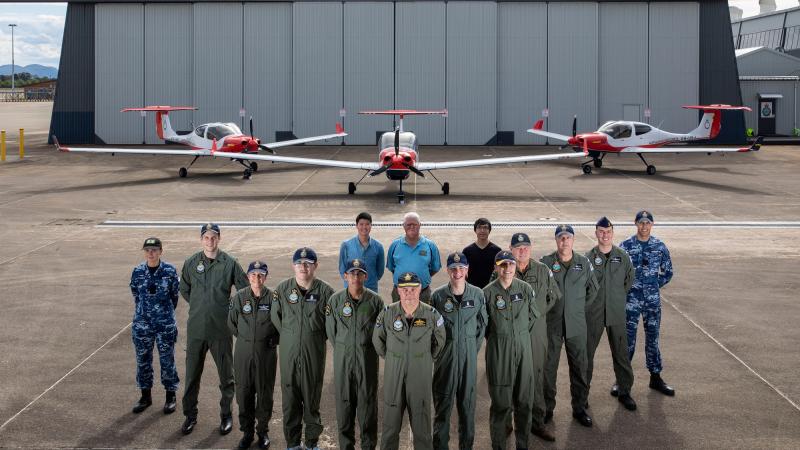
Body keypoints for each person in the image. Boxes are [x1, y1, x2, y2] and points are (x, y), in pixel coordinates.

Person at [180, 223, 248, 435]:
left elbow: (244, 289)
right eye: (206, 237)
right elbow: (184, 288)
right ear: (201, 239)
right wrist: (201, 306)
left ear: (219, 239)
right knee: (192, 375)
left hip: (221, 330)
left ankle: (226, 416)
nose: (210, 241)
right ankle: (190, 416)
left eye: (214, 237)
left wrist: (225, 309)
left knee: (226, 377)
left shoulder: (229, 263)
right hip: (197, 330)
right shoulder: (191, 263)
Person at [271, 247, 335, 450]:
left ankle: (310, 443)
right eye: (299, 263)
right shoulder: (282, 290)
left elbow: (330, 324)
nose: (303, 267)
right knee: (290, 400)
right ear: (293, 265)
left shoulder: (326, 292)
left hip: (313, 353)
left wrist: (312, 337)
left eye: (308, 263)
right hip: (289, 353)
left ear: (316, 265)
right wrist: (291, 336)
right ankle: (292, 443)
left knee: (312, 399)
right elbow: (276, 317)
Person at [373, 272, 445, 450]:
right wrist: (393, 357)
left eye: (413, 289)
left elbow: (440, 341)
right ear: (398, 290)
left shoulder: (432, 314)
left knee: (422, 426)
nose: (408, 293)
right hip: (394, 375)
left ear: (420, 289)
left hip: (420, 375)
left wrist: (426, 359)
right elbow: (377, 340)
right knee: (390, 424)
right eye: (404, 289)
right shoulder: (387, 313)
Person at [540, 225, 598, 428]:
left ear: (573, 240)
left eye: (568, 237)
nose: (564, 241)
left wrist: (577, 308)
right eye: (561, 237)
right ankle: (547, 408)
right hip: (552, 325)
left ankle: (580, 407)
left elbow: (593, 290)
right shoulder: (546, 263)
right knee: (548, 369)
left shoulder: (584, 263)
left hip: (576, 325)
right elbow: (539, 291)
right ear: (556, 241)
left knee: (580, 367)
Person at [428, 252, 487, 450]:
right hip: (446, 361)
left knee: (467, 409)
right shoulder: (437, 296)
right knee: (442, 409)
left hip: (468, 361)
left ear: (467, 270)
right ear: (448, 271)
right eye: (453, 269)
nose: (457, 272)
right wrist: (441, 352)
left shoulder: (477, 295)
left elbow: (482, 325)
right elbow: (431, 331)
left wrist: (471, 347)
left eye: (461, 268)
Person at [326, 259, 385, 450]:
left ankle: (369, 446)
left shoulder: (376, 301)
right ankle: (346, 446)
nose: (356, 277)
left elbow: (380, 332)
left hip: (366, 360)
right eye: (352, 273)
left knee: (368, 406)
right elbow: (332, 333)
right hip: (344, 360)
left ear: (366, 276)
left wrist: (361, 347)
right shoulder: (335, 301)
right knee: (344, 406)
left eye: (360, 273)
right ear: (345, 276)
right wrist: (346, 348)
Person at [483, 251, 539, 450]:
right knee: (501, 403)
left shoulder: (525, 289)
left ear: (515, 266)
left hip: (523, 347)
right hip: (499, 349)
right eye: (502, 265)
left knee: (524, 401)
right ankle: (498, 445)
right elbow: (484, 327)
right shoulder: (487, 293)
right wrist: (503, 336)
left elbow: (532, 317)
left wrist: (518, 334)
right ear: (496, 267)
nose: (507, 269)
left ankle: (522, 445)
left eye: (510, 264)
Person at [507, 233, 560, 442]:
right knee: (509, 378)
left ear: (531, 248)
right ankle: (506, 424)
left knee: (537, 378)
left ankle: (537, 423)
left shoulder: (542, 270)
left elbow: (553, 295)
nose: (522, 250)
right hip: (512, 334)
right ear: (511, 249)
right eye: (518, 247)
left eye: (526, 247)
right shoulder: (503, 269)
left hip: (536, 334)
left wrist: (536, 312)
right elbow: (493, 297)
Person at [619, 210, 675, 396]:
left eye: (647, 223)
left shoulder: (659, 246)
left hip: (652, 302)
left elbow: (667, 272)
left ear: (652, 224)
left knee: (653, 339)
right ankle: (622, 380)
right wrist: (629, 288)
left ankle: (655, 377)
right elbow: (618, 272)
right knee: (627, 341)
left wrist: (653, 285)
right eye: (641, 223)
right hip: (631, 301)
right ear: (636, 224)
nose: (644, 226)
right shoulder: (625, 246)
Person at [585, 217, 637, 411]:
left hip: (616, 313)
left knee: (621, 354)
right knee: (586, 355)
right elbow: (584, 285)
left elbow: (628, 280)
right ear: (596, 233)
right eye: (601, 231)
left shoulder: (622, 256)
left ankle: (625, 392)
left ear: (612, 233)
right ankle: (582, 395)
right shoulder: (588, 258)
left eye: (608, 232)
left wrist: (615, 299)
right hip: (594, 314)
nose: (604, 235)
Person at [228, 261, 279, 450]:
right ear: (248, 277)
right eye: (253, 275)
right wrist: (247, 339)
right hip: (243, 352)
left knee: (265, 392)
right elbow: (232, 323)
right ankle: (247, 432)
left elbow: (281, 322)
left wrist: (273, 339)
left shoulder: (274, 298)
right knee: (243, 392)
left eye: (260, 275)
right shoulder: (240, 298)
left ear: (265, 277)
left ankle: (263, 431)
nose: (257, 278)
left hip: (266, 353)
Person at [129, 237, 180, 415]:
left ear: (160, 251)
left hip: (164, 324)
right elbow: (136, 294)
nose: (151, 253)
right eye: (148, 250)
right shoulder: (137, 272)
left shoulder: (169, 271)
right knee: (143, 361)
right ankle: (145, 396)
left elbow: (175, 296)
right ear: (144, 252)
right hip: (142, 325)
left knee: (167, 360)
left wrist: (162, 314)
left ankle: (170, 396)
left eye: (154, 250)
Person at [386, 212, 441, 302]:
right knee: (398, 316)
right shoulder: (395, 245)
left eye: (414, 224)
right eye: (408, 224)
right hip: (399, 294)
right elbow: (392, 267)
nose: (411, 227)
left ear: (420, 225)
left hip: (422, 294)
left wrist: (423, 276)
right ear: (403, 225)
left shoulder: (430, 245)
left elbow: (435, 268)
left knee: (423, 316)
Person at [338, 212, 385, 292]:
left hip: (371, 289)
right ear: (356, 226)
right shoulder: (346, 245)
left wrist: (371, 280)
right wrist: (351, 282)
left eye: (367, 224)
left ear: (371, 226)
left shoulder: (378, 246)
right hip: (351, 289)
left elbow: (380, 271)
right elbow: (342, 268)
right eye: (361, 224)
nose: (364, 227)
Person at [462, 218, 501, 288]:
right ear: (475, 231)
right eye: (479, 227)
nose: (482, 231)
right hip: (472, 289)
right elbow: (463, 272)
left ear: (489, 231)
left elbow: (500, 271)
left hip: (491, 289)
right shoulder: (467, 251)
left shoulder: (497, 251)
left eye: (485, 228)